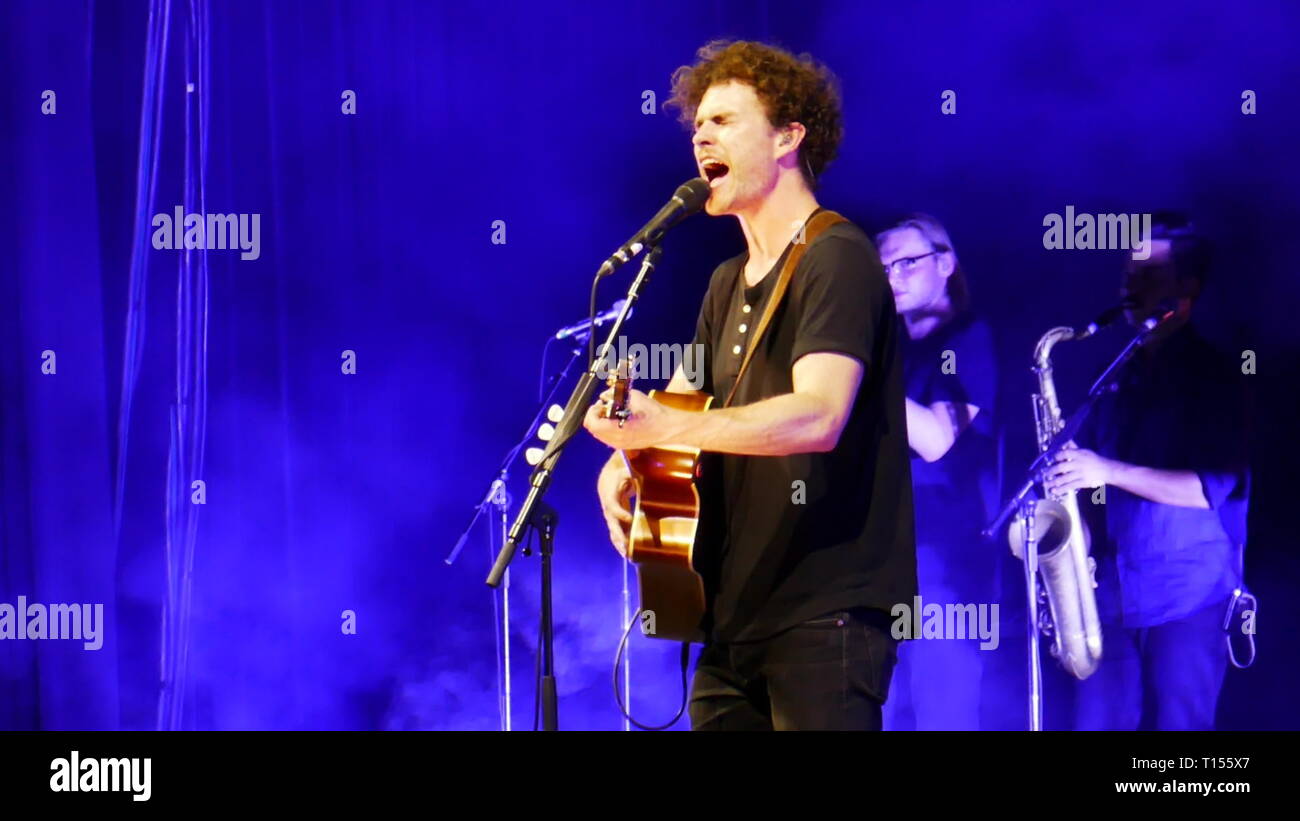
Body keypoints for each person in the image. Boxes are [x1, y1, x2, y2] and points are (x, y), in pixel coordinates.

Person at [582, 40, 916, 731]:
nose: (702, 134)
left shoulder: (838, 256)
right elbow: (673, 409)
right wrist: (623, 462)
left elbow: (818, 416)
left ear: (790, 137)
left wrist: (661, 428)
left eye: (726, 120)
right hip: (732, 614)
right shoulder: (725, 282)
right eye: (698, 124)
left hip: (826, 614)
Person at [1044, 212, 1251, 730]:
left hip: (1187, 598)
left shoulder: (1216, 376)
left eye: (1148, 274)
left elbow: (1210, 489)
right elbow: (1084, 486)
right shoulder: (1113, 378)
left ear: (1187, 286)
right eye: (1128, 274)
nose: (1129, 285)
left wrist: (1104, 470)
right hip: (1113, 599)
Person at [875, 214, 1001, 730]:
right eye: (882, 268)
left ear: (945, 263)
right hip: (886, 557)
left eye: (907, 262)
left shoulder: (969, 339)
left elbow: (935, 438)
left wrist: (856, 367)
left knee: (940, 712)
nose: (893, 277)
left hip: (947, 565)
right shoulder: (895, 349)